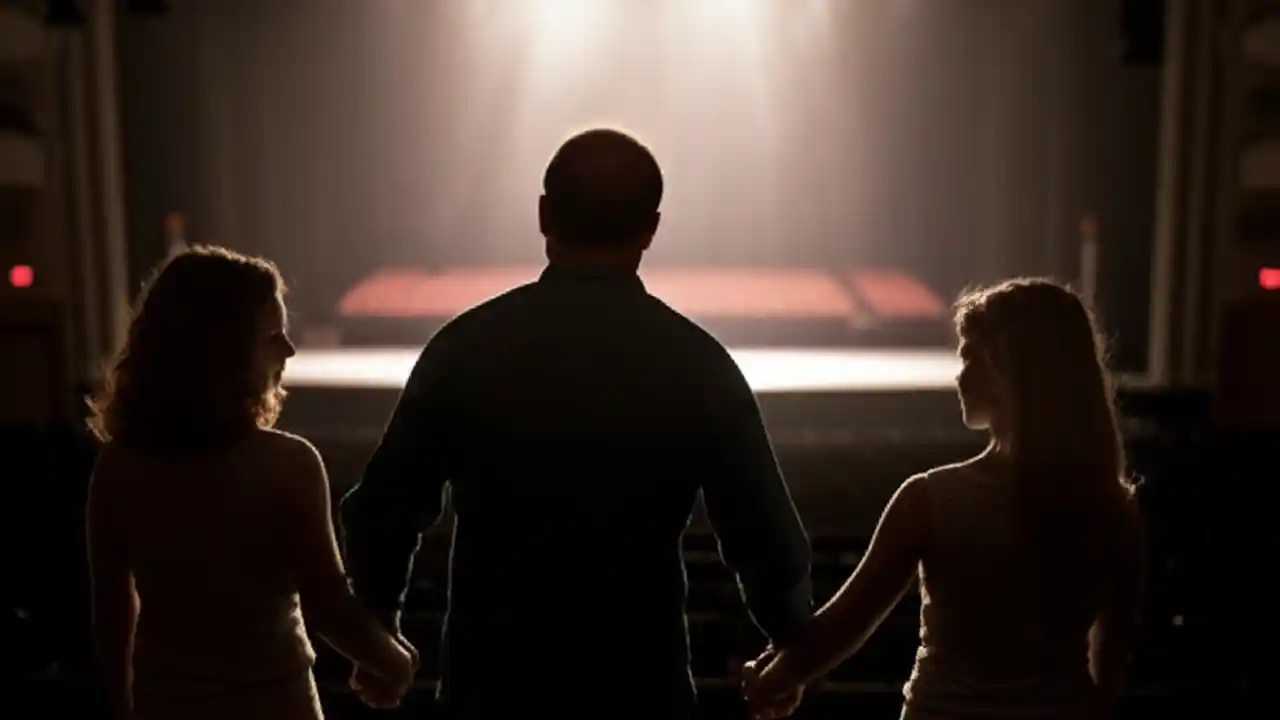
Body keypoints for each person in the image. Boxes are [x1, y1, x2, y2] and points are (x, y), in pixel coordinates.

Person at [339, 128, 813, 717]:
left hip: (492, 687)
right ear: (652, 228)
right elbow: (763, 534)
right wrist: (789, 648)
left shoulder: (465, 348)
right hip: (639, 687)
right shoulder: (698, 363)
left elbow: (382, 509)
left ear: (543, 215)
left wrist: (378, 631)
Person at [744, 278, 1147, 720]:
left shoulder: (932, 500)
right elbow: (1107, 678)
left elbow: (843, 626)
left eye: (969, 356)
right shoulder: (1114, 511)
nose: (959, 375)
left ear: (1011, 369)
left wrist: (775, 679)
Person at [85, 246, 416, 720]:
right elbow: (329, 607)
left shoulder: (117, 468)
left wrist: (123, 706)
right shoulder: (288, 465)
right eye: (273, 337)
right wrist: (394, 661)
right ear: (227, 352)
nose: (290, 349)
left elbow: (111, 610)